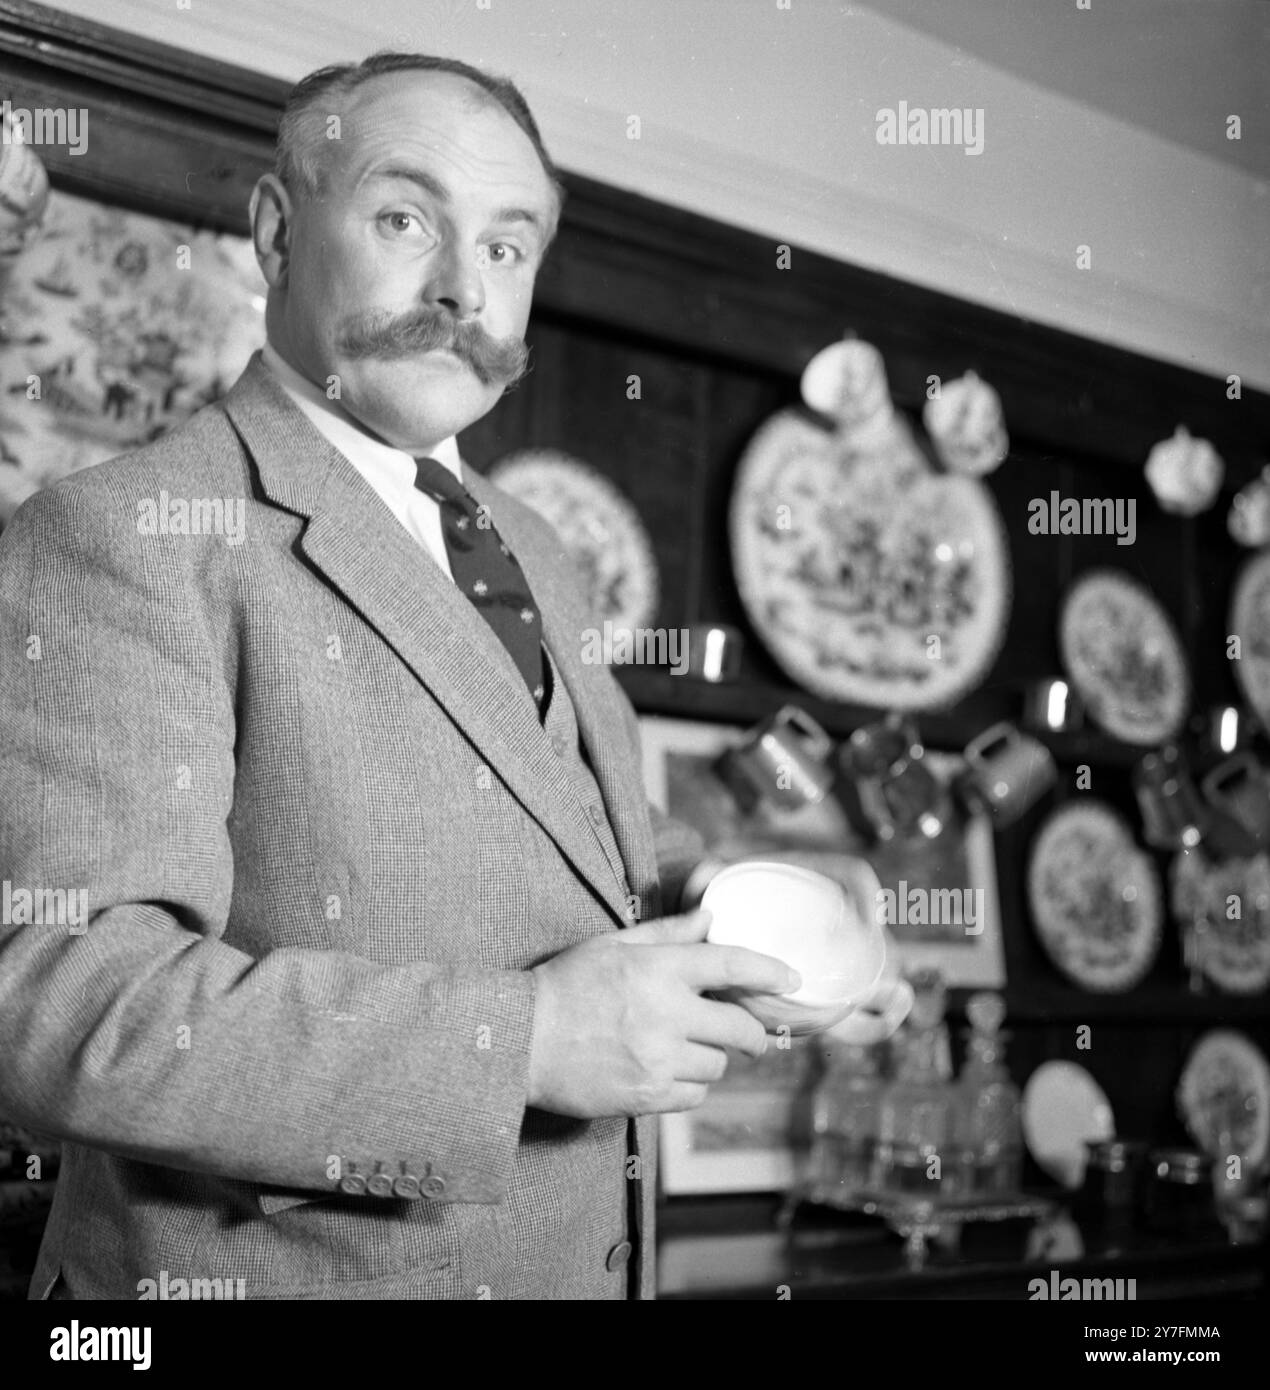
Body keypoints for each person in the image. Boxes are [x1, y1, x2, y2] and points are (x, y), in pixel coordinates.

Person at [0, 51, 818, 1301]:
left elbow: (570, 847)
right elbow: (61, 1008)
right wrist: (529, 1042)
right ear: (277, 233)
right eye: (404, 218)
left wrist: (759, 907)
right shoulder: (122, 528)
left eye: (507, 247)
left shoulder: (533, 544)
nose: (460, 290)